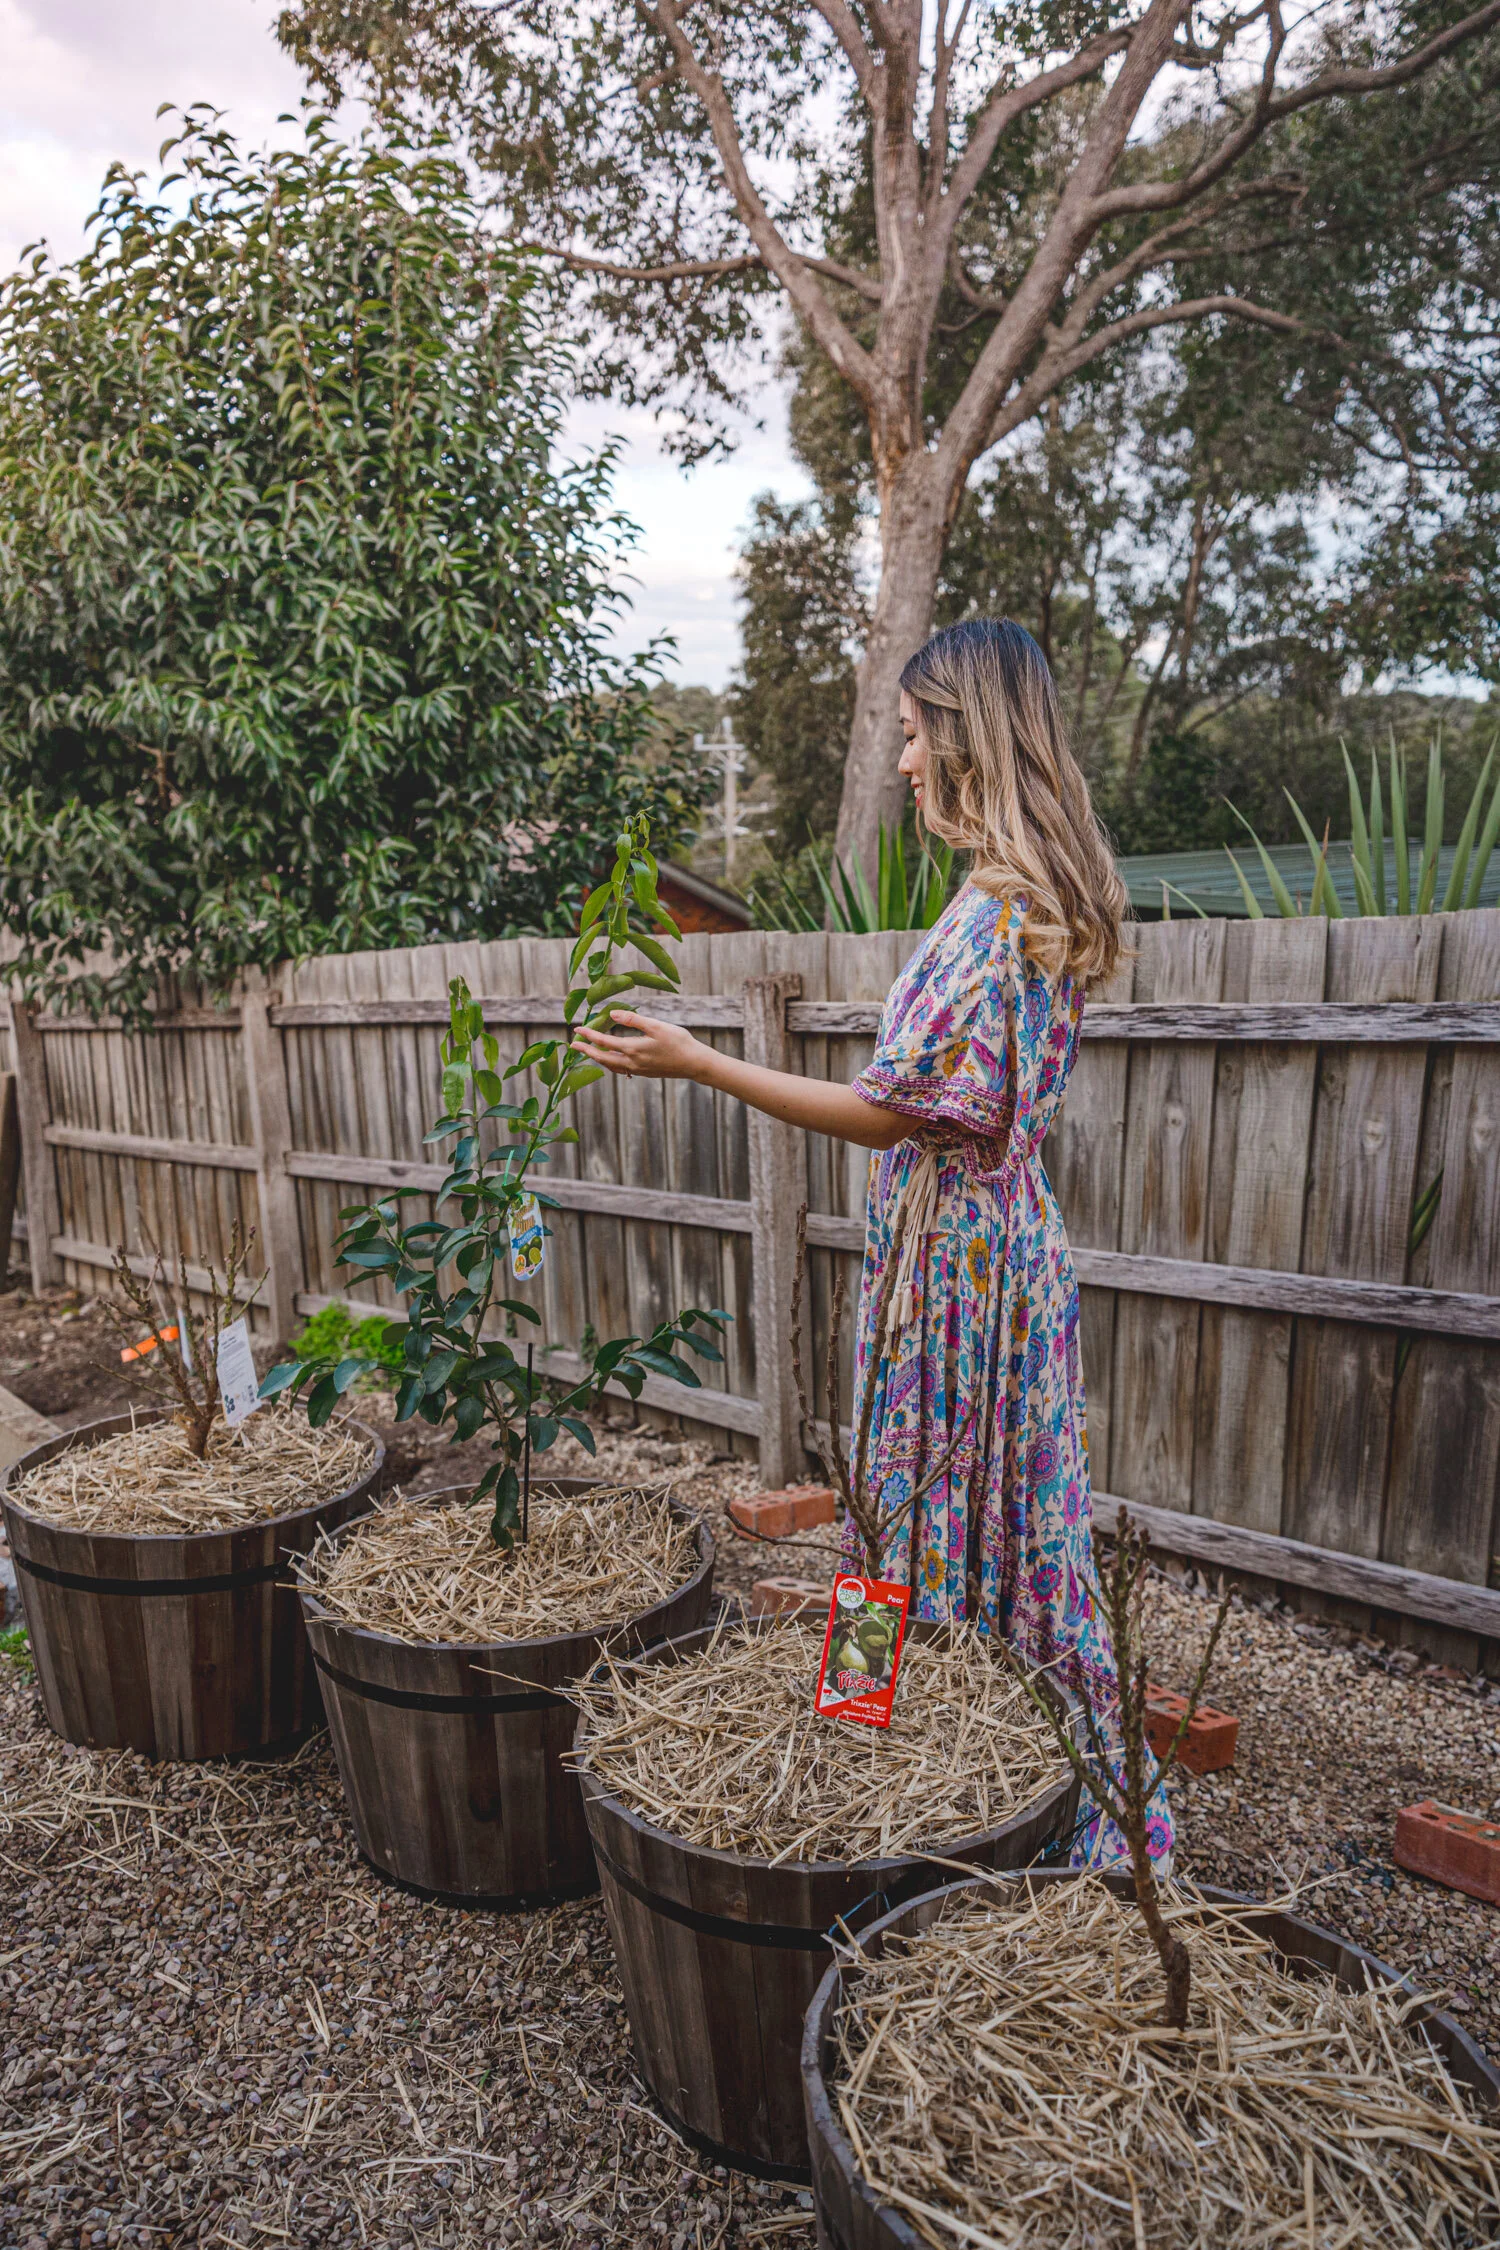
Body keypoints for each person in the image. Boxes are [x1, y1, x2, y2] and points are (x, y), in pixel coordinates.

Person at [572, 618, 1171, 1869]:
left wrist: (701, 1063)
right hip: (971, 1252)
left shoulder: (1004, 912)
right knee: (975, 1518)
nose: (900, 763)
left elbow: (895, 1113)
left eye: (909, 734)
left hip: (962, 1267)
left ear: (964, 736)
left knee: (919, 1507)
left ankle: (911, 1763)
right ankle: (919, 1757)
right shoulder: (1009, 898)